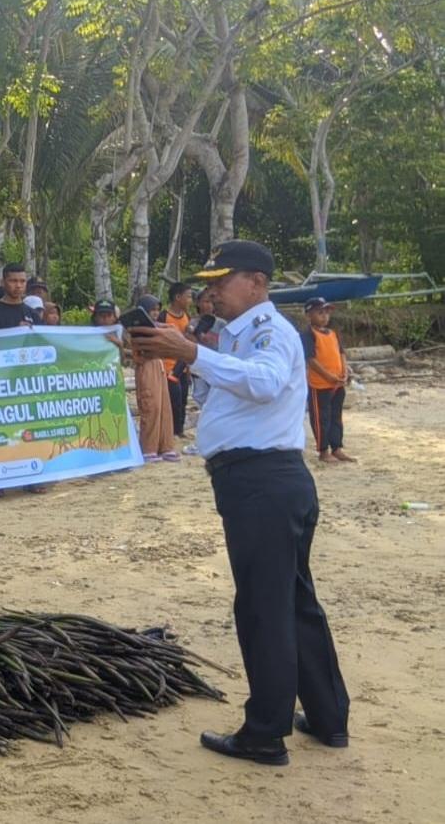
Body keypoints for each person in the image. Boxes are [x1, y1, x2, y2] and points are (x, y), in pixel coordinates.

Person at [131, 239, 348, 765]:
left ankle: (265, 731)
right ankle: (326, 716)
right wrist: (182, 358)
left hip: (262, 482)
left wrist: (192, 353)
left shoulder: (269, 330)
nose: (211, 295)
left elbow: (268, 383)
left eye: (220, 283)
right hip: (265, 482)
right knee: (293, 600)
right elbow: (227, 396)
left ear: (256, 282)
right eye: (207, 285)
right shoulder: (234, 335)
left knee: (262, 606)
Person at [302, 297, 355, 464]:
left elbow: (341, 353)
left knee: (336, 416)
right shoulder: (308, 334)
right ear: (309, 315)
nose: (324, 316)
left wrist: (344, 370)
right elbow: (311, 359)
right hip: (320, 384)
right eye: (320, 313)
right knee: (321, 417)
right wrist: (327, 375)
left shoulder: (332, 333)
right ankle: (323, 450)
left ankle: (337, 447)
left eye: (326, 313)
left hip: (337, 383)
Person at [131, 295, 178, 462]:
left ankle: (166, 446)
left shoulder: (159, 327)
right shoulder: (136, 329)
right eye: (152, 310)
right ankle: (148, 448)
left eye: (158, 310)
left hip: (159, 364)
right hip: (146, 365)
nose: (156, 313)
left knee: (165, 407)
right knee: (151, 406)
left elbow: (170, 329)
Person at [158, 283, 194, 438]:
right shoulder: (164, 316)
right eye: (188, 296)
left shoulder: (187, 316)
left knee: (184, 398)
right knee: (174, 399)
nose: (190, 300)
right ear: (177, 297)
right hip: (168, 366)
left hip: (183, 365)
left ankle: (179, 430)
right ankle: (171, 431)